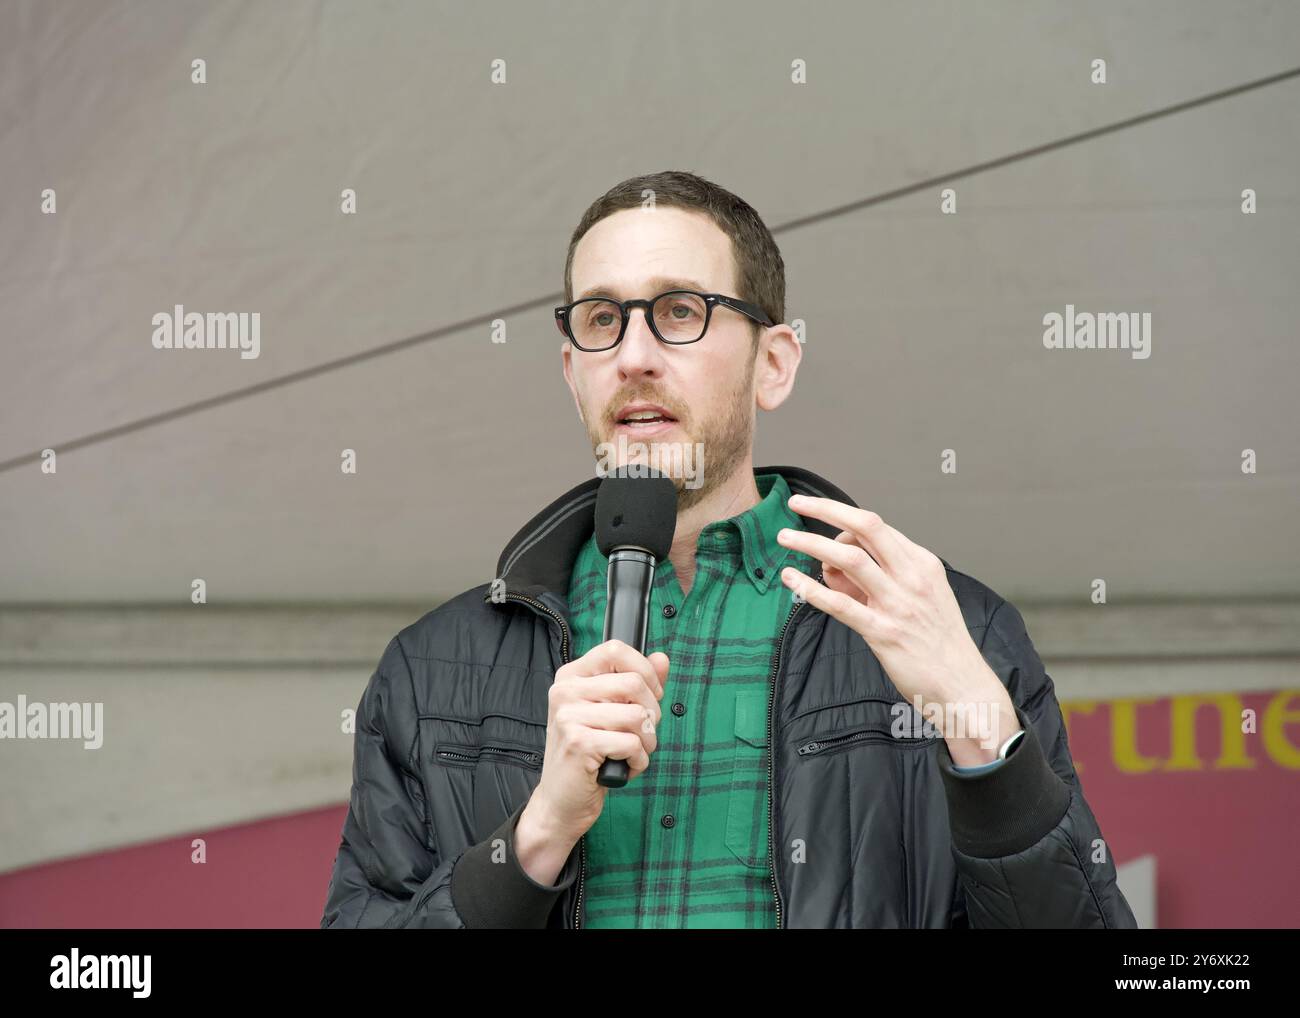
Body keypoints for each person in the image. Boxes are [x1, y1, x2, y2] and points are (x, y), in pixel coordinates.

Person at [320, 170, 1137, 929]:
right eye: (603, 321)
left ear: (773, 364)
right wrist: (537, 834)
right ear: (573, 372)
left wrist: (983, 727)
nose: (634, 357)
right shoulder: (431, 671)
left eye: (680, 311)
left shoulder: (947, 626)